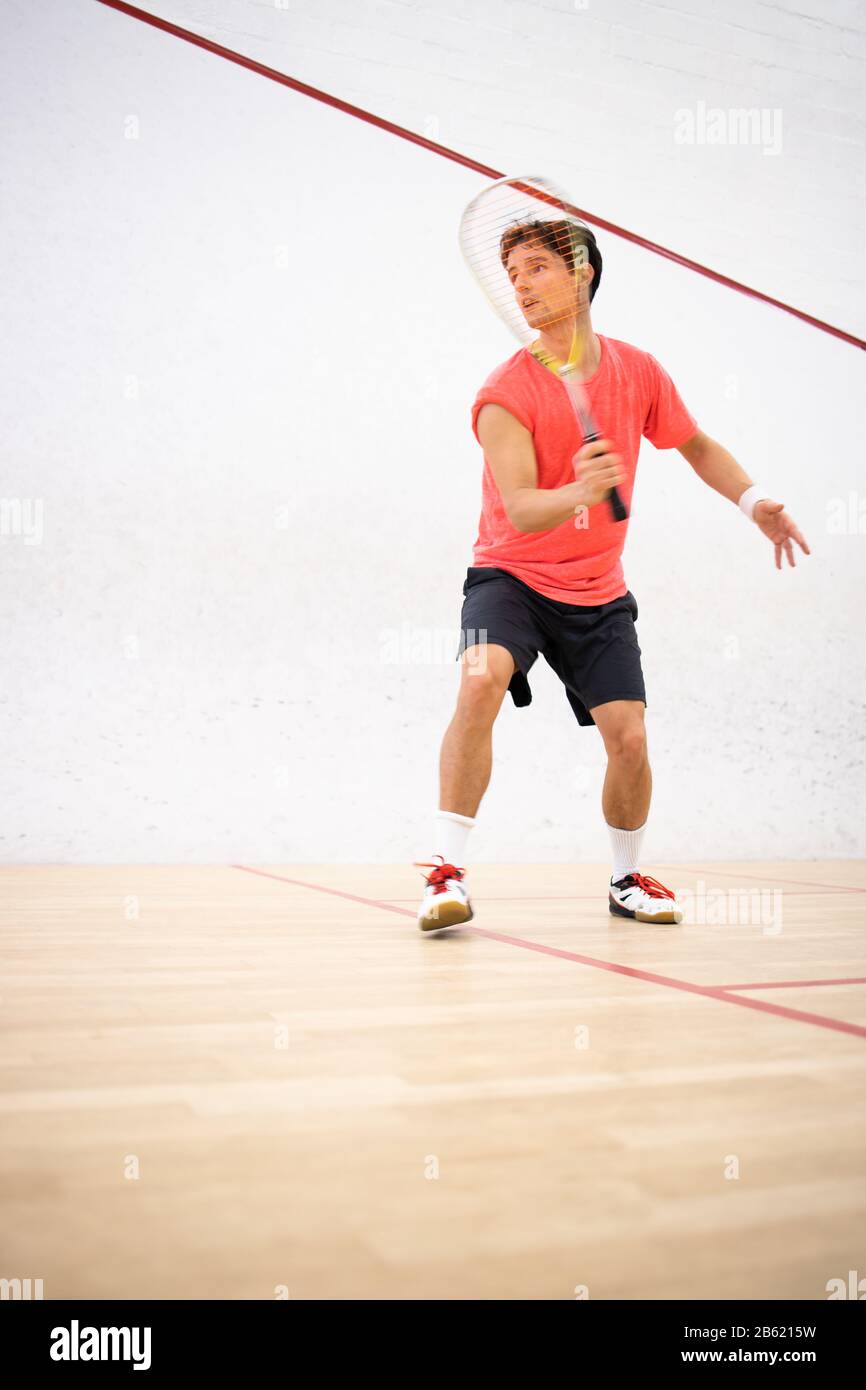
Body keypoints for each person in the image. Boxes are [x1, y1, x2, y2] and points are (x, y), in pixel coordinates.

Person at [415, 217, 810, 932]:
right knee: (480, 680)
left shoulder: (638, 371)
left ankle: (626, 879)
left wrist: (756, 502)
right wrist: (578, 492)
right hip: (507, 578)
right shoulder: (504, 393)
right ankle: (446, 872)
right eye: (513, 275)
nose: (521, 287)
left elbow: (695, 445)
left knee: (628, 739)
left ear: (582, 272)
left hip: (598, 590)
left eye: (537, 268)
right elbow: (524, 509)